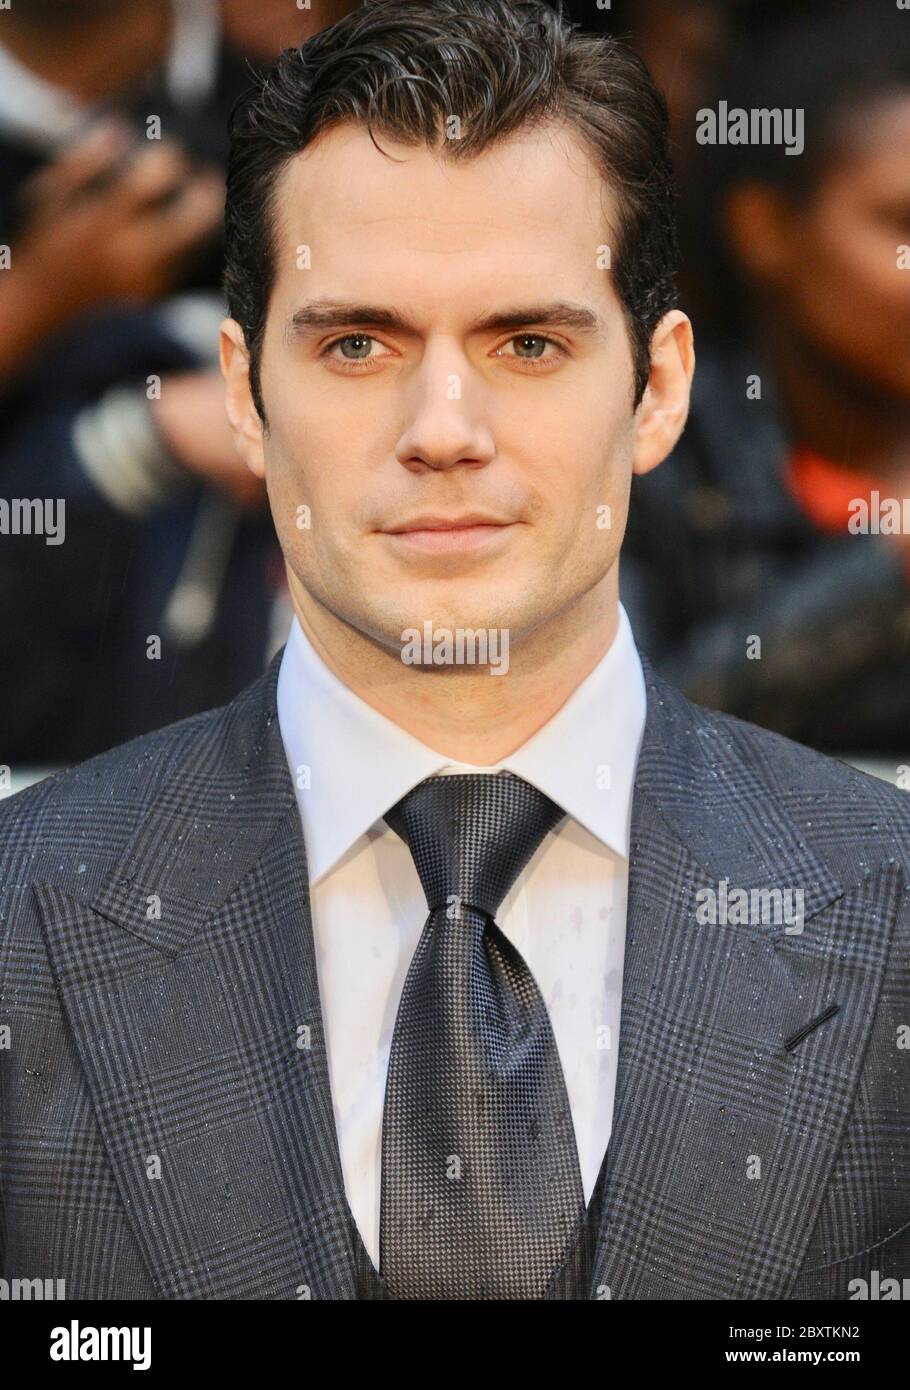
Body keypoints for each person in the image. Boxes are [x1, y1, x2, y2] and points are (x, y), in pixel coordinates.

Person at [0, 0, 907, 1301]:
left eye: (526, 342)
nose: (443, 427)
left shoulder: (890, 910)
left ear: (657, 390)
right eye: (357, 343)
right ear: (246, 394)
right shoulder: (19, 920)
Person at [621, 0, 910, 752]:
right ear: (766, 230)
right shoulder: (658, 450)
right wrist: (887, 567)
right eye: (900, 224)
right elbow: (634, 734)